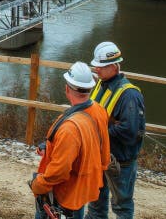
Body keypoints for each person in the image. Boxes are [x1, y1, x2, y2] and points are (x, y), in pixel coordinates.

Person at [30, 62, 110, 219]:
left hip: (63, 194)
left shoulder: (70, 128)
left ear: (67, 89)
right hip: (80, 189)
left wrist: (39, 185)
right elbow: (102, 151)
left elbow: (59, 171)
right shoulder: (98, 111)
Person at [85, 41, 145, 219]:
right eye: (96, 66)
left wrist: (100, 132)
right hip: (100, 156)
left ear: (114, 66)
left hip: (120, 161)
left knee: (122, 206)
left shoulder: (130, 95)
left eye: (101, 67)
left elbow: (130, 130)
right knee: (95, 201)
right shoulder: (101, 85)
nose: (97, 70)